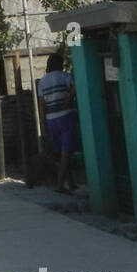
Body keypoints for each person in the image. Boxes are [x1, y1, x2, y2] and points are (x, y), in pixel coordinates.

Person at [37, 52, 79, 193]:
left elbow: (42, 105)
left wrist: (43, 124)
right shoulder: (65, 76)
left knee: (61, 153)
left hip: (51, 120)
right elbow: (76, 86)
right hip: (67, 117)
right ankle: (60, 185)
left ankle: (71, 183)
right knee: (66, 153)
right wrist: (68, 98)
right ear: (60, 64)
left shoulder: (42, 82)